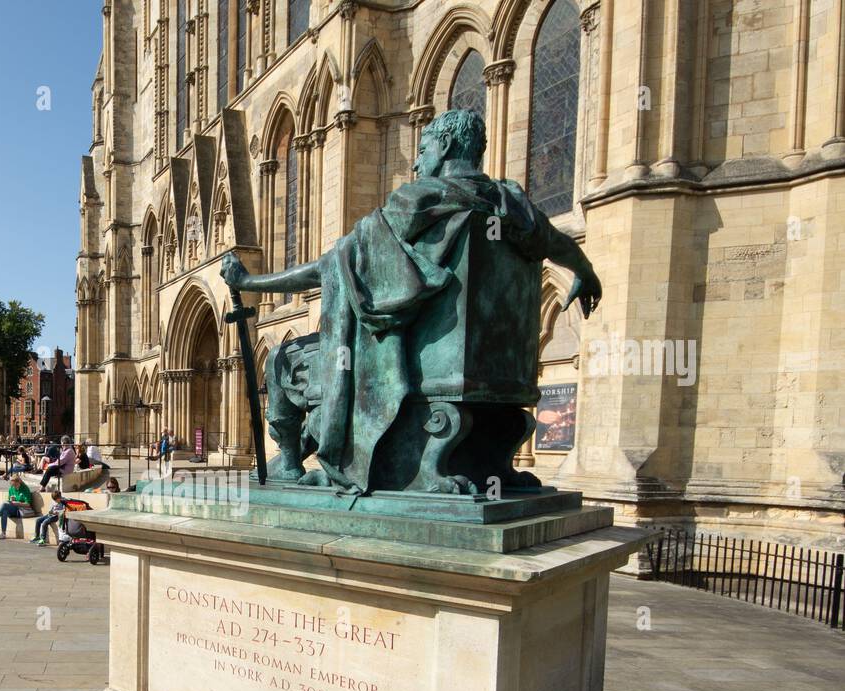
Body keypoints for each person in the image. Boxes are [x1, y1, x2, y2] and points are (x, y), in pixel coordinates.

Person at [219, 107, 602, 495]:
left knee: (284, 358)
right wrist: (585, 271)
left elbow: (330, 266)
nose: (418, 161)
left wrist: (249, 280)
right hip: (493, 372)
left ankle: (288, 462)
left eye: (423, 148)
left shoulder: (420, 199)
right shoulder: (511, 204)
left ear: (446, 145)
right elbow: (556, 243)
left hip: (409, 363)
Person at [0, 473, 36, 539]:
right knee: (4, 511)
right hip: (13, 509)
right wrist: (11, 500)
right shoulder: (11, 489)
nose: (14, 487)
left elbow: (28, 504)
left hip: (21, 510)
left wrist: (16, 503)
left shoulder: (25, 489)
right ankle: (3, 533)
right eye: (13, 485)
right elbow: (9, 501)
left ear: (19, 482)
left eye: (15, 485)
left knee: (4, 505)